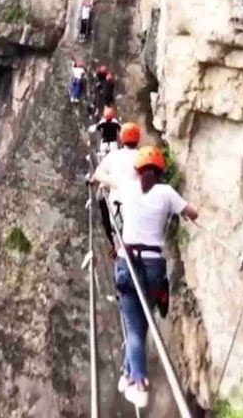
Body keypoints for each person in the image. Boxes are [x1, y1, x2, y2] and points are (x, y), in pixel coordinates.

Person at [89, 146, 198, 409]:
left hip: (127, 262)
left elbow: (100, 177)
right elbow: (193, 213)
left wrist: (95, 176)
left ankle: (139, 381)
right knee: (141, 323)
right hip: (153, 266)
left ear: (137, 171)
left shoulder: (127, 186)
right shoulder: (167, 193)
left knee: (133, 325)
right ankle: (128, 373)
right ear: (160, 172)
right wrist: (184, 211)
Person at [91, 121, 143, 259]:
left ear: (121, 138)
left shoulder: (113, 156)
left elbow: (97, 174)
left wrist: (112, 183)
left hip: (117, 205)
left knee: (102, 204)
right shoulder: (143, 156)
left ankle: (116, 249)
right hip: (138, 204)